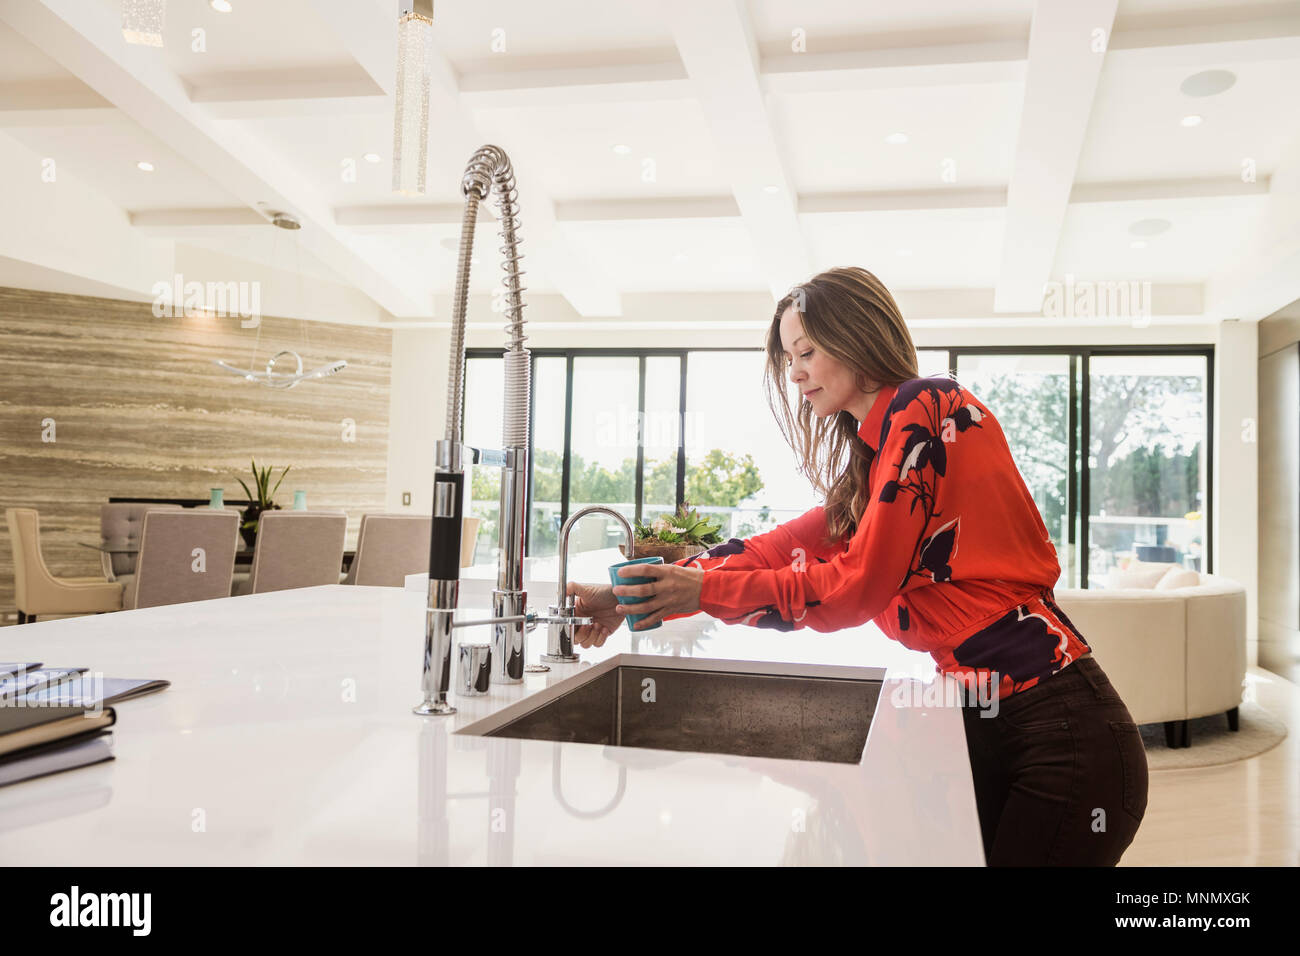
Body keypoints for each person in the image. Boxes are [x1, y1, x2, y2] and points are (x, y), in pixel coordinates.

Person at [566, 266, 1148, 867]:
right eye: (790, 356)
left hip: (1061, 734)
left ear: (855, 338)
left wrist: (701, 592)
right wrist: (627, 596)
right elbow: (777, 547)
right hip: (997, 726)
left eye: (807, 351)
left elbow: (856, 588)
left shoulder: (928, 405)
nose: (794, 372)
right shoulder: (874, 471)